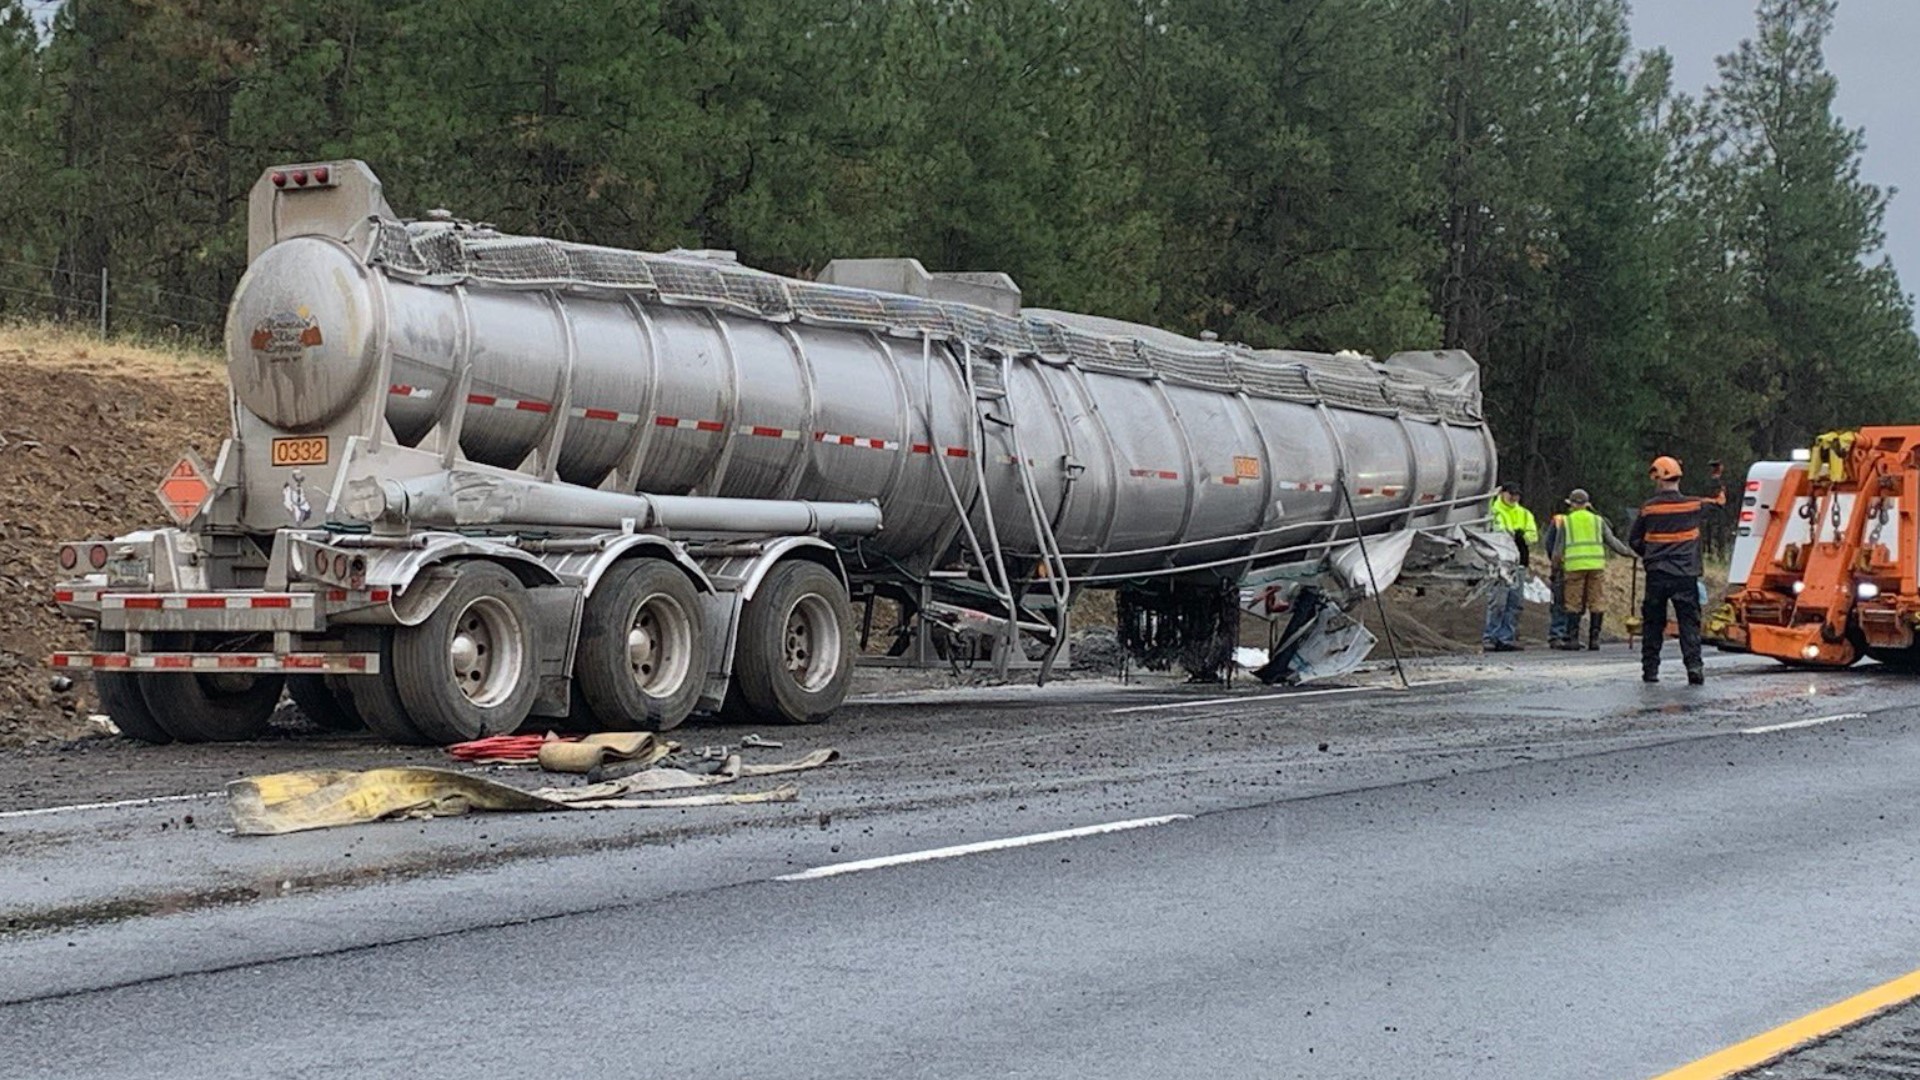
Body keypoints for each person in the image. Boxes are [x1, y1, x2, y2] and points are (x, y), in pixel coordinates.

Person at [1628, 456, 1726, 684]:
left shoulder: (1649, 509)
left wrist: (1651, 555)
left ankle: (1650, 670)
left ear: (1658, 478)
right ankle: (1694, 667)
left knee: (1653, 623)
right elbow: (1719, 504)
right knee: (1688, 623)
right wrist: (1716, 477)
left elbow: (1634, 540)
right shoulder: (1692, 506)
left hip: (1657, 575)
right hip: (1685, 574)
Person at [1557, 488, 1636, 651]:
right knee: (1597, 601)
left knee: (1573, 603)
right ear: (1587, 504)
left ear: (1571, 504)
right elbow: (1612, 541)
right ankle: (1594, 640)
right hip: (1596, 567)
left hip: (1574, 567)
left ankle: (1572, 639)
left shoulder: (1567, 521)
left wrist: (1555, 567)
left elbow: (1559, 549)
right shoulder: (1598, 521)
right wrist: (1629, 553)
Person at [1483, 482, 1539, 652]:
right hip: (1499, 562)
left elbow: (1533, 536)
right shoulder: (1493, 511)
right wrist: (1511, 534)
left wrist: (1523, 536)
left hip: (1519, 562)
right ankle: (1490, 638)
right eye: (1511, 494)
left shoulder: (1524, 513)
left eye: (1517, 495)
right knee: (1498, 602)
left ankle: (1505, 638)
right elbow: (1496, 532)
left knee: (1514, 603)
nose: (1514, 498)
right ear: (1502, 494)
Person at [1542, 510, 1575, 649]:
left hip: (1573, 567)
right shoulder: (1560, 521)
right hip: (1566, 567)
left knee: (1572, 603)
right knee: (1560, 602)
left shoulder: (1580, 521)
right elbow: (1550, 545)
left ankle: (1566, 634)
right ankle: (1558, 634)